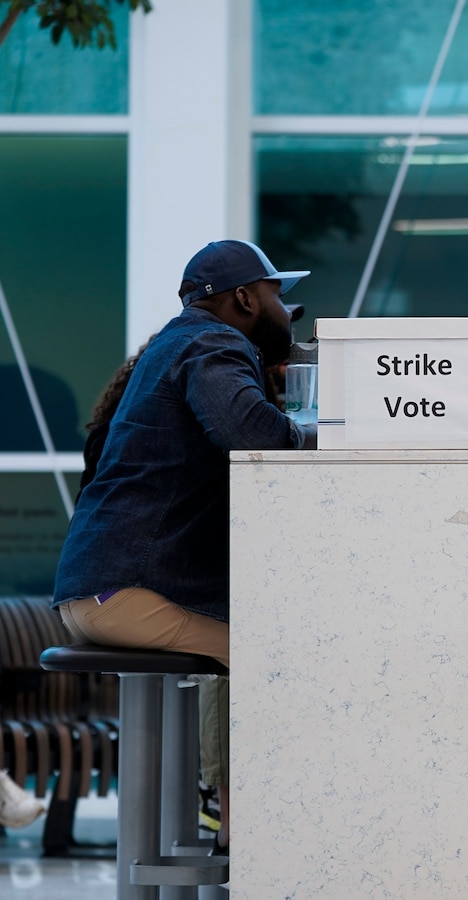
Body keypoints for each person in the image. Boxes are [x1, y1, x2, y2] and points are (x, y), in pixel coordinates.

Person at [53, 239, 311, 855]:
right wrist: (317, 431)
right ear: (245, 298)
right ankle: (239, 824)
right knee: (274, 658)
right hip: (123, 591)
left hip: (101, 587)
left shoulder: (176, 344)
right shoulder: (213, 344)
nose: (285, 311)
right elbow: (252, 436)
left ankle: (224, 812)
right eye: (278, 295)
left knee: (246, 634)